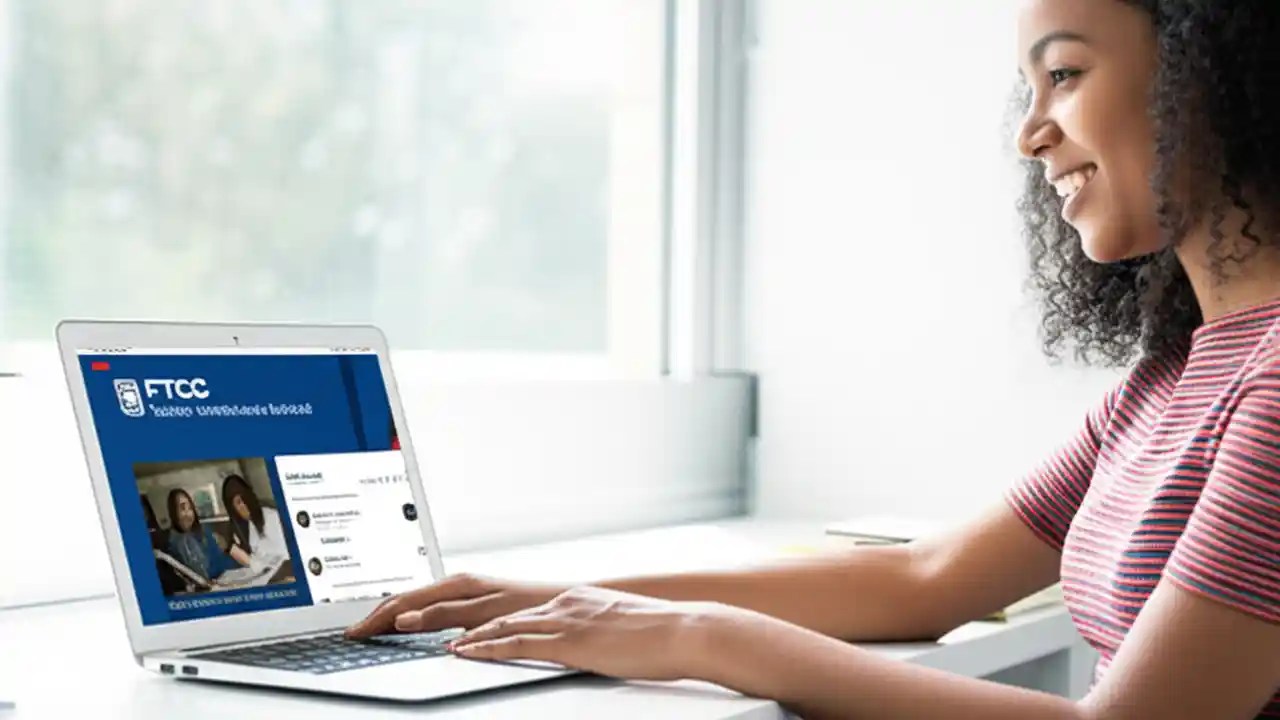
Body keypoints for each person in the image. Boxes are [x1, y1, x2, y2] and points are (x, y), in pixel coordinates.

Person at [348, 2, 1280, 717]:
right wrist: (558, 597)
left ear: (1215, 70)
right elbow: (926, 578)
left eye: (1065, 74)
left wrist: (700, 637)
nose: (1030, 132)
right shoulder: (1172, 378)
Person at [165, 488, 236, 588]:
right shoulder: (179, 541)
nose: (188, 514)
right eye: (182, 508)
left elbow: (220, 558)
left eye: (190, 508)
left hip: (230, 574)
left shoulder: (203, 530)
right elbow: (203, 575)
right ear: (173, 512)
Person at [221, 474, 288, 564]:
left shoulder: (271, 516)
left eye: (243, 500)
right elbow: (256, 554)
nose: (243, 506)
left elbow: (283, 553)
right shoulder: (248, 524)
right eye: (238, 503)